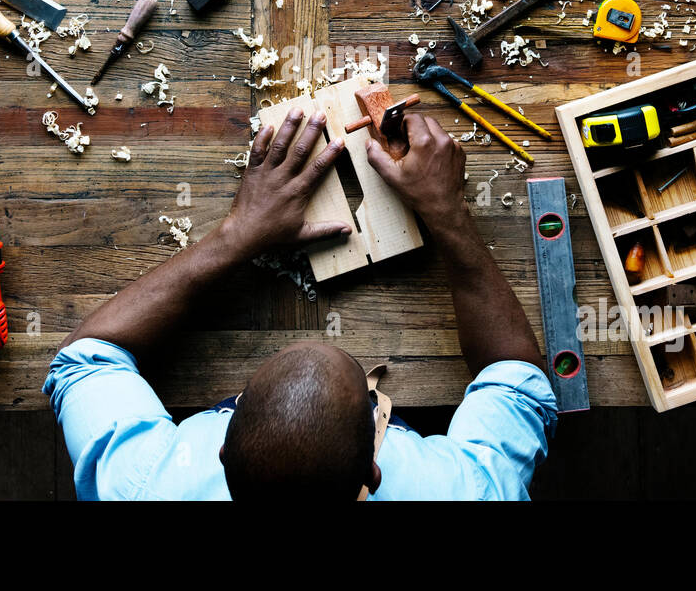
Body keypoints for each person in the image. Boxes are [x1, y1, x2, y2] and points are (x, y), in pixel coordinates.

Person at [44, 108, 556, 500]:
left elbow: (84, 359)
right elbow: (518, 383)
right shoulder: (460, 490)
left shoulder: (147, 484)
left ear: (222, 453)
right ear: (372, 473)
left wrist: (235, 237)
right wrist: (449, 216)